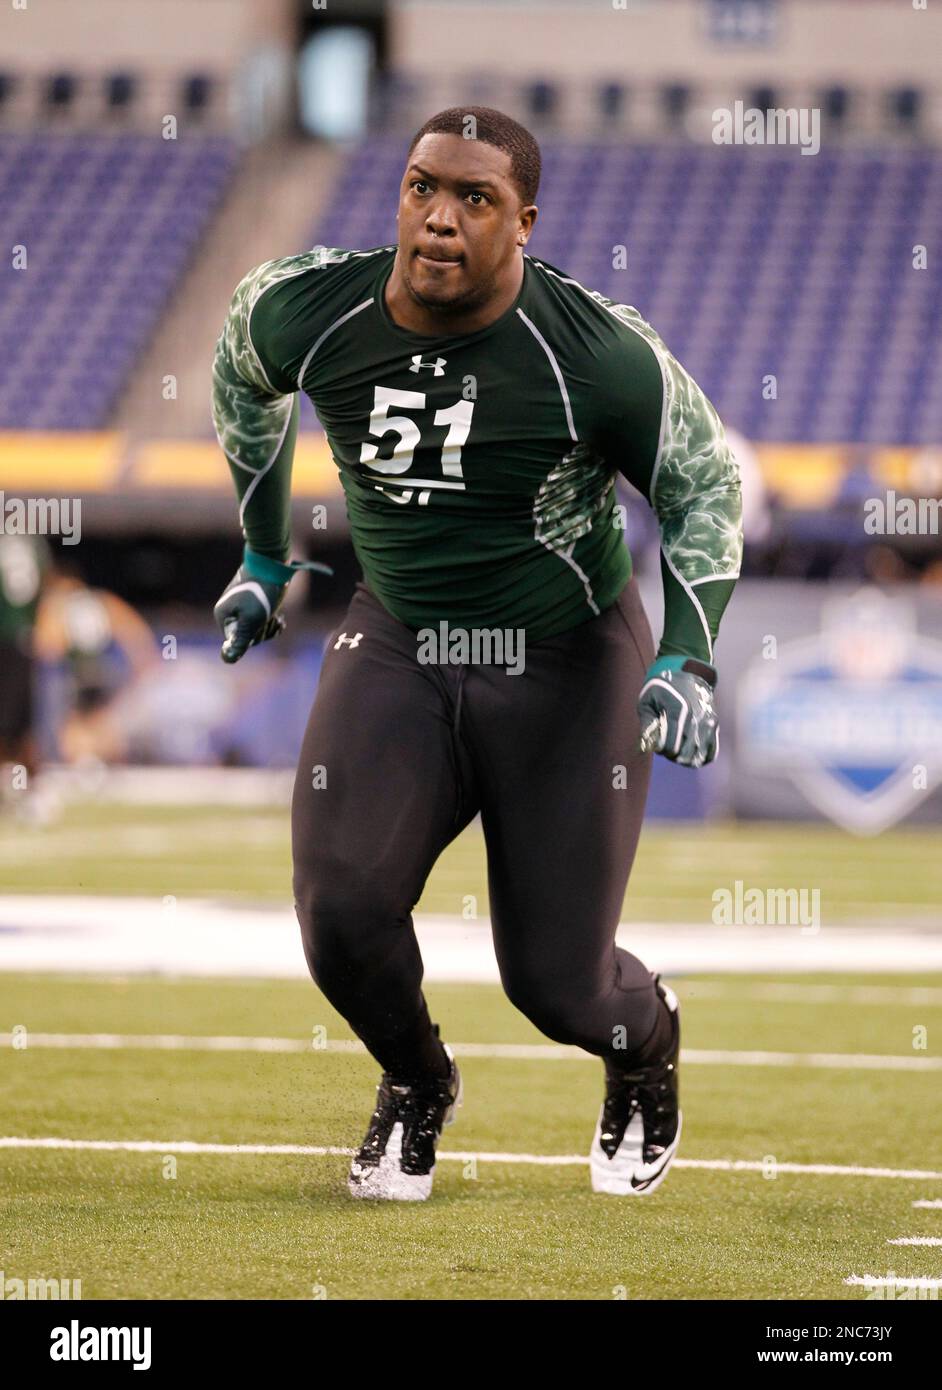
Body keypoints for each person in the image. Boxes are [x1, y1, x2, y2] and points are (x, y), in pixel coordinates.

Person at [211, 107, 742, 1200]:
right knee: (342, 913)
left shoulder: (593, 351)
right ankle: (416, 1080)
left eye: (475, 199)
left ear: (525, 223)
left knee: (557, 988)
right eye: (422, 187)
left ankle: (643, 1040)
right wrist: (264, 557)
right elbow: (239, 382)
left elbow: (705, 481)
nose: (441, 219)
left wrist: (687, 655)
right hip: (402, 637)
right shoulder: (302, 305)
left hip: (563, 658)